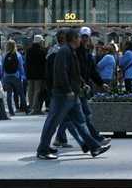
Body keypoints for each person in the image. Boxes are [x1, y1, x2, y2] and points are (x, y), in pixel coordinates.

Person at [36, 30, 108, 160]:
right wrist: (68, 90)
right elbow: (61, 72)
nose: (81, 40)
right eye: (79, 37)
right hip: (63, 95)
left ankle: (94, 147)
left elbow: (73, 72)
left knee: (80, 122)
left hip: (72, 94)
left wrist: (81, 84)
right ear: (74, 38)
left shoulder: (70, 51)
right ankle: (43, 149)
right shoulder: (64, 52)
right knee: (53, 121)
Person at [1, 40, 25, 117]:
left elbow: (2, 68)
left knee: (9, 94)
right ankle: (26, 109)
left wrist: (2, 78)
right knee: (21, 93)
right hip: (16, 76)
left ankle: (11, 111)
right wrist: (22, 76)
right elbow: (21, 67)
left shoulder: (4, 55)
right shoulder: (18, 55)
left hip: (7, 77)